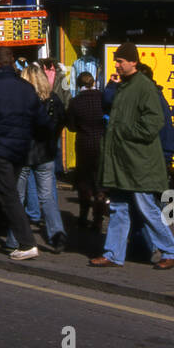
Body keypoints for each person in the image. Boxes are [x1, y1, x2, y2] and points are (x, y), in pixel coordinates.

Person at [89, 43, 174, 270]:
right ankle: (113, 253)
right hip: (122, 161)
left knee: (145, 206)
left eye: (120, 61)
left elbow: (153, 122)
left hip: (139, 161)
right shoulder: (124, 87)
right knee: (119, 207)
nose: (117, 65)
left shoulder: (144, 87)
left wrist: (126, 133)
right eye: (116, 60)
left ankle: (170, 250)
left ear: (133, 62)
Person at [0, 46, 48, 260]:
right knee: (1, 191)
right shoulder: (26, 87)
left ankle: (27, 242)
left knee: (7, 194)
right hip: (20, 147)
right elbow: (41, 120)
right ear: (12, 60)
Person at [6, 64, 66, 253]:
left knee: (17, 197)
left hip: (22, 153)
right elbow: (60, 122)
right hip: (45, 153)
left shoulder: (19, 100)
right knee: (47, 197)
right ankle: (57, 235)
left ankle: (14, 238)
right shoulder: (53, 99)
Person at [66, 71, 107, 230]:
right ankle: (98, 218)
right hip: (101, 143)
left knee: (84, 182)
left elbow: (70, 126)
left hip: (83, 144)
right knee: (99, 183)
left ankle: (83, 215)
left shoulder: (75, 102)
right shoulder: (103, 99)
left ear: (78, 84)